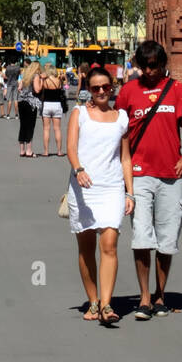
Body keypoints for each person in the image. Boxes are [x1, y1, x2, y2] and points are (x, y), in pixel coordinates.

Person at [116, 39, 182, 321]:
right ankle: (145, 298)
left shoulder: (177, 90)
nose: (150, 71)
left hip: (171, 174)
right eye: (145, 66)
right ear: (138, 64)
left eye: (155, 66)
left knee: (167, 238)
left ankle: (161, 294)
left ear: (163, 65)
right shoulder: (127, 92)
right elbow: (118, 132)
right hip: (138, 174)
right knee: (141, 237)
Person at [67, 64, 135, 326]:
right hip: (83, 188)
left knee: (109, 246)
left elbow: (125, 158)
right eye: (95, 88)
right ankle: (93, 300)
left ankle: (107, 304)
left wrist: (130, 193)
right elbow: (71, 147)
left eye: (106, 87)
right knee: (86, 250)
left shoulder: (121, 118)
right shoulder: (79, 114)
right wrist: (78, 169)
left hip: (112, 188)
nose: (101, 92)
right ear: (89, 90)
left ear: (112, 87)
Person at [17, 61, 43, 157]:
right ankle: (29, 150)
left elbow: (19, 88)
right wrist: (41, 81)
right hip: (31, 103)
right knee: (30, 126)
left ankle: (22, 150)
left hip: (21, 101)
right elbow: (37, 89)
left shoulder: (25, 75)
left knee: (22, 125)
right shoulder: (36, 76)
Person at [40, 63, 65, 156]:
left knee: (46, 129)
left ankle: (46, 151)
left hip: (47, 104)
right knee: (57, 129)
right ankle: (59, 151)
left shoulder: (45, 81)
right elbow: (62, 88)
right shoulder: (58, 81)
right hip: (57, 105)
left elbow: (41, 91)